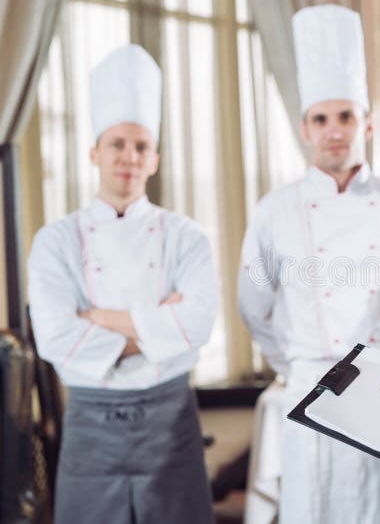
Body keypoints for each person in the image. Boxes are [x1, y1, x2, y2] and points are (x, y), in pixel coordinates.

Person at [237, 5, 380, 523]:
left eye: (346, 116)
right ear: (305, 128)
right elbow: (253, 305)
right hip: (310, 390)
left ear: (367, 123)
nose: (334, 131)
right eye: (322, 119)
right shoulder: (274, 210)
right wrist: (296, 363)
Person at [28, 44, 217, 523]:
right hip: (92, 429)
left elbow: (197, 325)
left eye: (141, 146)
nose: (129, 157)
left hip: (170, 425)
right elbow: (54, 335)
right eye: (117, 144)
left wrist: (100, 320)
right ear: (94, 152)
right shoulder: (55, 241)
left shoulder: (187, 237)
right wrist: (158, 325)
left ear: (154, 159)